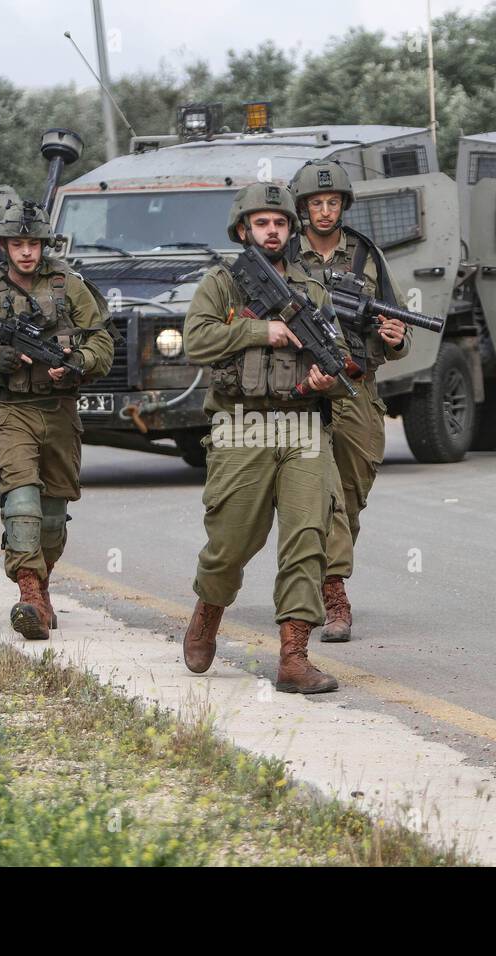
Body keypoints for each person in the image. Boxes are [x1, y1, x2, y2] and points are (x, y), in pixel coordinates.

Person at [181, 182, 351, 694]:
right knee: (230, 544)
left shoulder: (312, 288)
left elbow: (337, 351)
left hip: (302, 427)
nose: (272, 231)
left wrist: (326, 377)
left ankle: (294, 658)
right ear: (243, 229)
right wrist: (262, 332)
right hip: (241, 427)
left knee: (306, 539)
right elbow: (196, 341)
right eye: (262, 223)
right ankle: (209, 609)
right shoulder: (221, 284)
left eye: (279, 223)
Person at [0, 197, 113, 640]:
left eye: (34, 243)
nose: (27, 252)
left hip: (60, 412)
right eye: (17, 243)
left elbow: (103, 345)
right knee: (20, 503)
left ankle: (44, 583)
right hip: (11, 411)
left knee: (53, 516)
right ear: (3, 246)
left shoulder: (69, 288)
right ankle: (29, 594)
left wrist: (78, 363)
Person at [289, 160, 408, 642]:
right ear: (302, 208)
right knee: (320, 496)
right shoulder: (286, 255)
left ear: (343, 205)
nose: (324, 211)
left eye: (332, 202)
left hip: (358, 389)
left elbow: (397, 335)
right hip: (302, 390)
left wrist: (395, 337)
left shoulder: (366, 255)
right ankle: (332, 594)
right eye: (315, 203)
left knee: (351, 497)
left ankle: (324, 578)